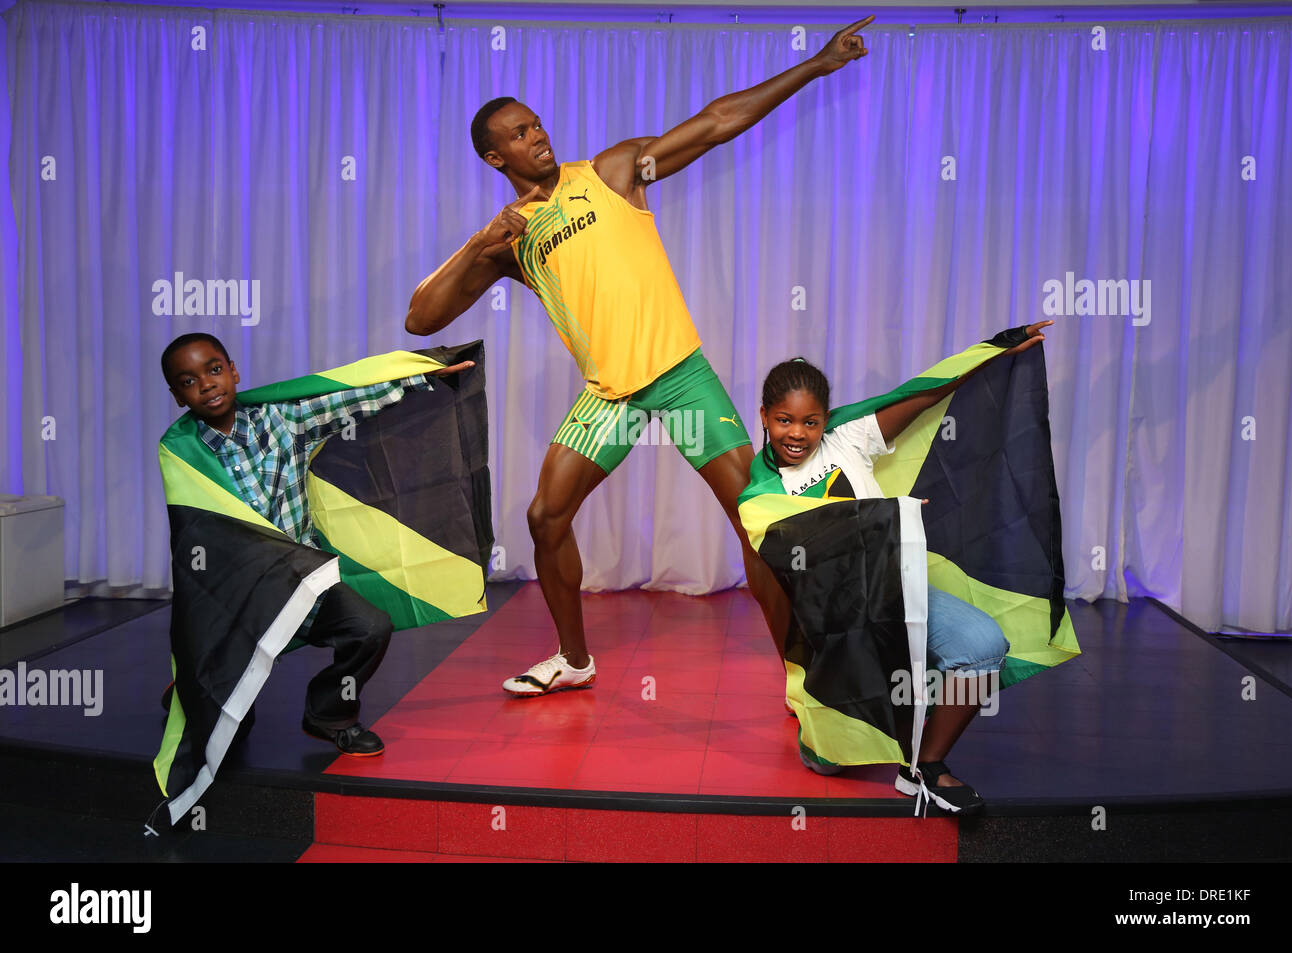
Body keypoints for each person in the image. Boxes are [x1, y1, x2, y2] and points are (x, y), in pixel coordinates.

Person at [405, 17, 878, 696]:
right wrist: (480, 242)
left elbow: (714, 123)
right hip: (611, 400)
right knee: (545, 517)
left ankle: (804, 678)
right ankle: (574, 659)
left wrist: (814, 66)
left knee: (754, 521)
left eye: (536, 124)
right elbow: (421, 315)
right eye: (518, 133)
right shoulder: (511, 243)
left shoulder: (613, 172)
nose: (535, 135)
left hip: (681, 381)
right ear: (493, 158)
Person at [753, 321, 1053, 813]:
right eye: (785, 420)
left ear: (825, 419)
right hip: (839, 627)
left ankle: (925, 766)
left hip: (900, 592)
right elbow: (800, 552)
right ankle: (818, 724)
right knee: (833, 760)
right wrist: (888, 516)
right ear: (765, 415)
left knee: (982, 647)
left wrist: (993, 352)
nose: (797, 434)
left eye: (810, 422)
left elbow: (925, 394)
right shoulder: (761, 492)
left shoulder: (848, 438)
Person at [159, 332, 471, 755]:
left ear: (233, 372)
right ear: (178, 395)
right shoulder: (182, 454)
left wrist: (425, 373)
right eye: (189, 380)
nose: (207, 384)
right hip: (236, 598)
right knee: (227, 726)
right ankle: (194, 687)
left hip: (302, 581)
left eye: (214, 370)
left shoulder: (281, 419)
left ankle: (329, 714)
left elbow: (351, 395)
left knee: (369, 628)